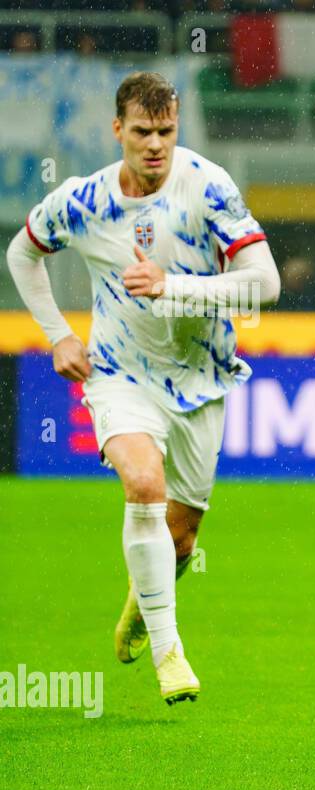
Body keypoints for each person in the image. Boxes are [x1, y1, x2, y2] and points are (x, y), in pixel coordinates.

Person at [5, 72, 280, 704]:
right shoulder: (84, 201)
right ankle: (170, 653)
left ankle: (142, 602)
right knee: (143, 483)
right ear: (117, 130)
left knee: (180, 538)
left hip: (201, 378)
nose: (156, 145)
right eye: (142, 132)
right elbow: (23, 253)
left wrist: (172, 286)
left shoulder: (208, 185)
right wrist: (57, 336)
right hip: (119, 376)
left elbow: (264, 285)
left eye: (166, 131)